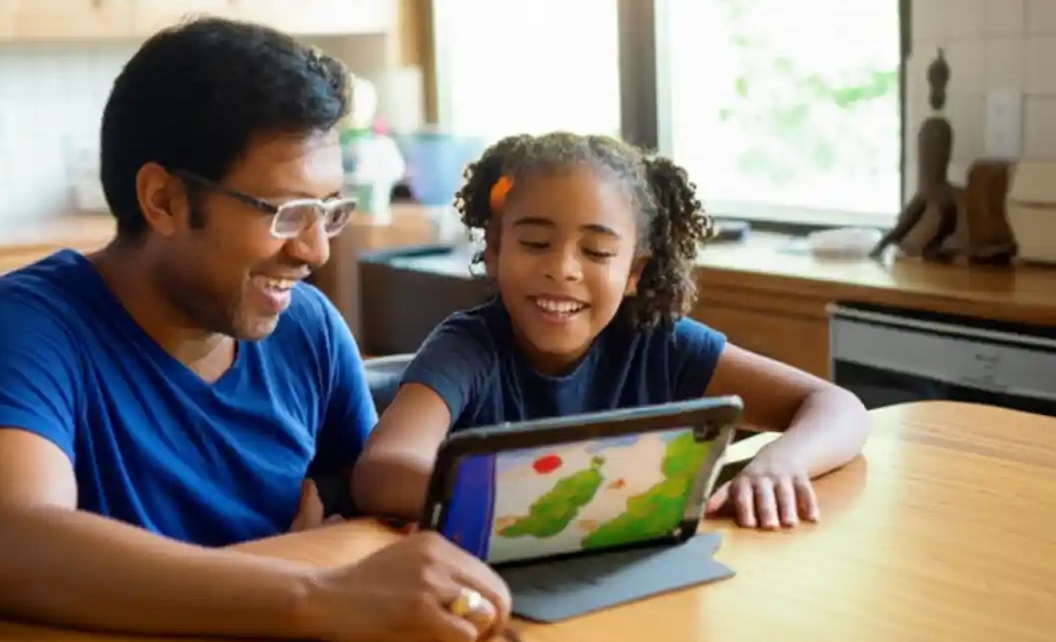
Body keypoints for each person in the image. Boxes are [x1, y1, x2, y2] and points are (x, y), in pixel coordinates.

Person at [0, 17, 510, 642]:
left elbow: (373, 512)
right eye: (288, 212)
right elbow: (13, 548)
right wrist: (317, 593)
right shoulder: (24, 325)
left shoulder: (307, 327)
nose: (315, 250)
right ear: (163, 200)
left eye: (327, 211)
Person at [352, 132, 871, 529]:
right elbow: (383, 470)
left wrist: (780, 462)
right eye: (535, 244)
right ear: (494, 249)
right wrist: (535, 500)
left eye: (597, 252)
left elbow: (837, 406)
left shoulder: (659, 342)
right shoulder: (467, 349)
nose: (563, 269)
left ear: (634, 272)